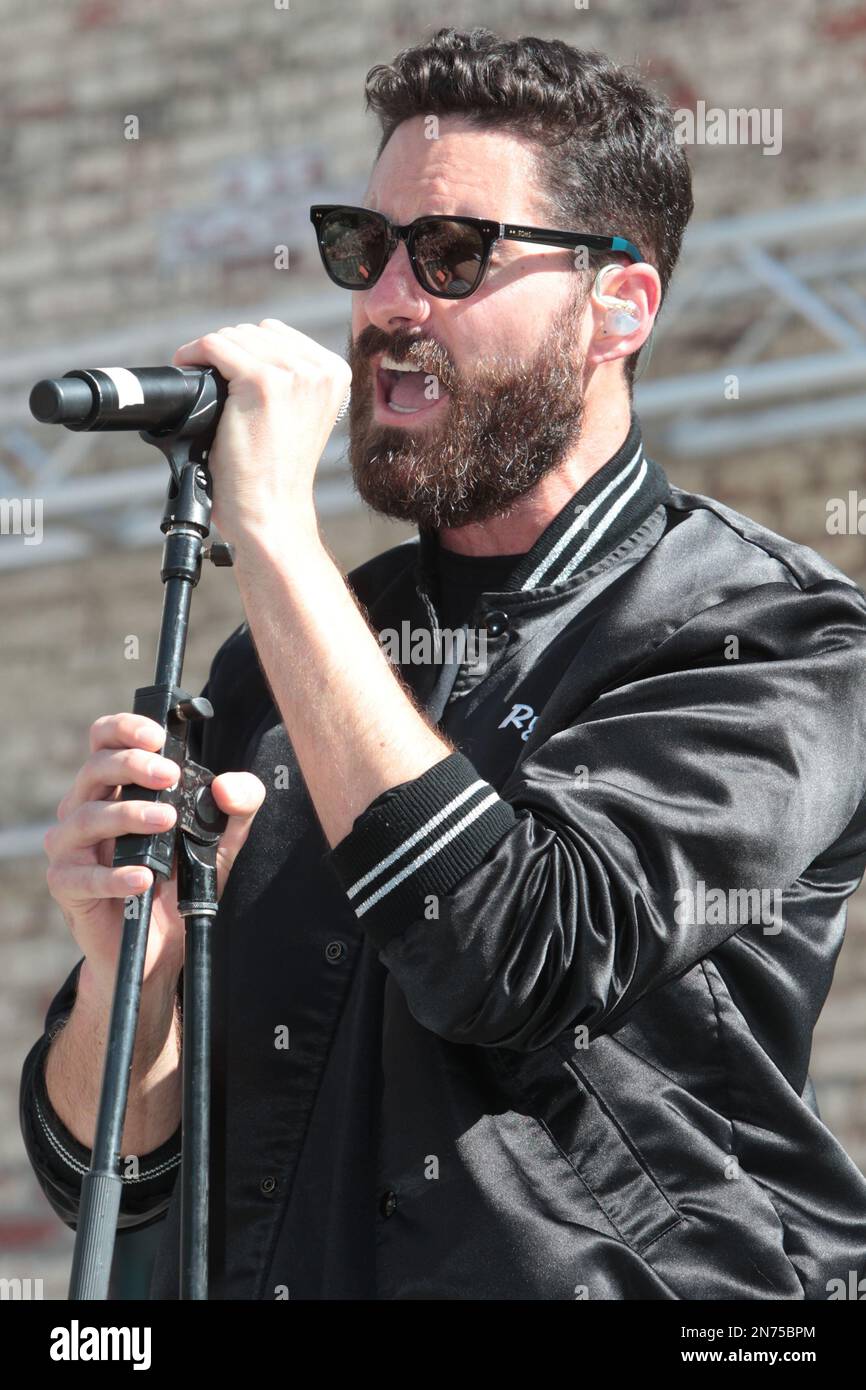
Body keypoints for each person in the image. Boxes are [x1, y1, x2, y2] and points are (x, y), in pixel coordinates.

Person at [21, 27, 866, 1300]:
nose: (388, 303)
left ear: (617, 307)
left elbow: (511, 951)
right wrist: (125, 982)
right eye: (366, 248)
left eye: (453, 254)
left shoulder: (772, 634)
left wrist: (272, 527)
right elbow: (112, 1176)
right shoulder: (280, 661)